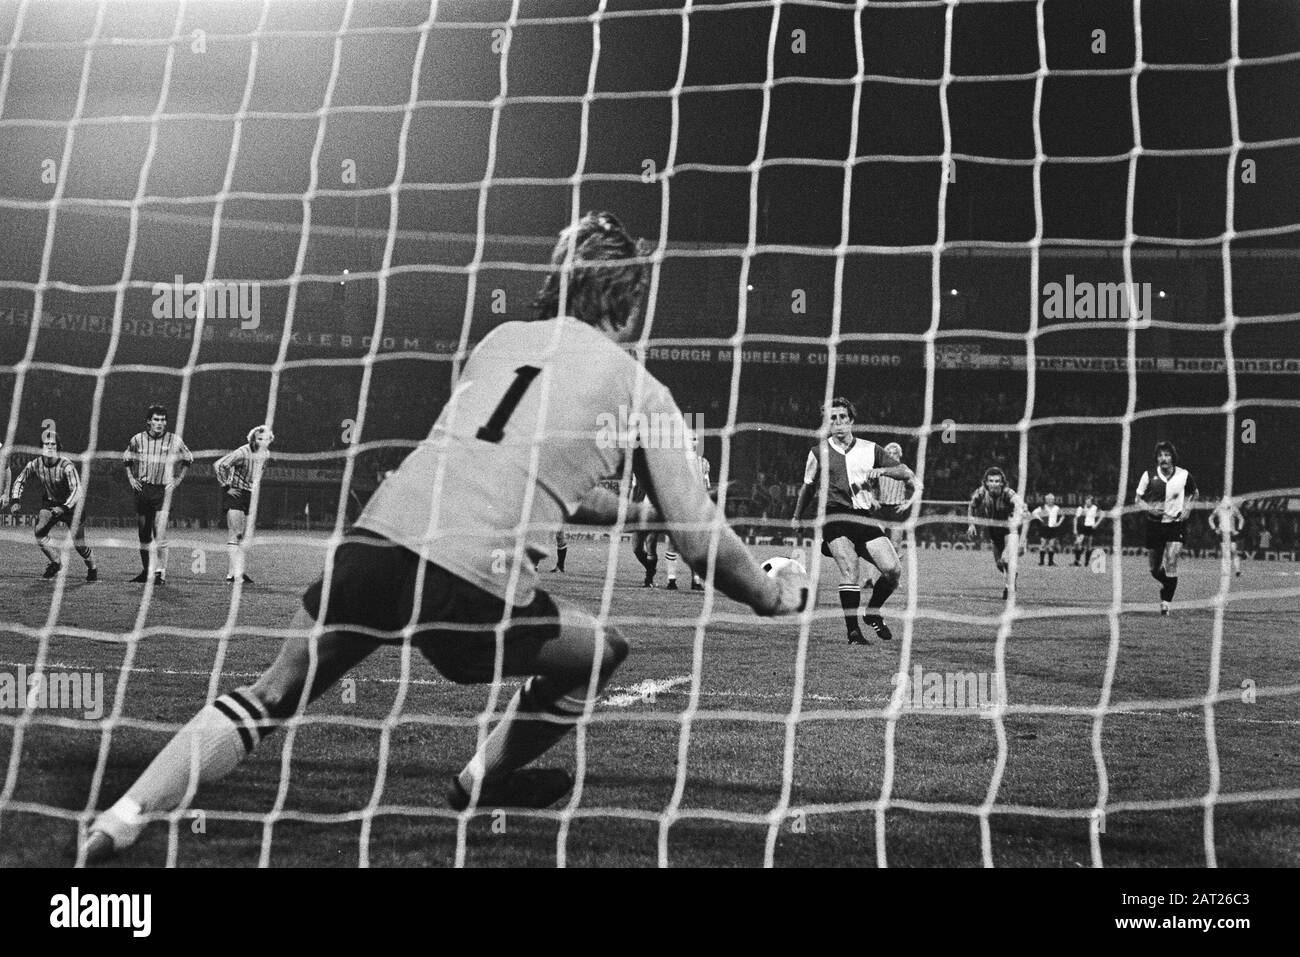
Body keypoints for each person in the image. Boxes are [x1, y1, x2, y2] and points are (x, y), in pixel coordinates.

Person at [83, 211, 805, 862]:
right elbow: (702, 538)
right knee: (601, 652)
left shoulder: (501, 342)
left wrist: (636, 516)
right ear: (628, 299)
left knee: (268, 695)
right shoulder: (641, 388)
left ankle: (122, 815)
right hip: (467, 584)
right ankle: (479, 778)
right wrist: (772, 594)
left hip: (378, 542)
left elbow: (515, 470)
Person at [792, 397, 914, 645]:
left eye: (842, 417)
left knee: (893, 571)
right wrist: (797, 516)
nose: (837, 423)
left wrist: (884, 470)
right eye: (832, 418)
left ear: (851, 420)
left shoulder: (870, 449)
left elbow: (904, 472)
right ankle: (853, 632)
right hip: (834, 516)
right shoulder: (818, 452)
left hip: (863, 517)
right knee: (851, 570)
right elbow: (807, 487)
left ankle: (873, 611)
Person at [4, 433, 97, 581]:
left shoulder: (66, 465)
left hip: (72, 507)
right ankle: (56, 562)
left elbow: (77, 490)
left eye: (53, 444)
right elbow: (21, 479)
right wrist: (15, 500)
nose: (50, 447)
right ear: (41, 448)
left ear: (58, 447)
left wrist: (64, 508)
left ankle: (92, 568)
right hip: (51, 503)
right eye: (46, 444)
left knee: (79, 545)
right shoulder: (35, 464)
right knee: (39, 532)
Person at [123, 405, 193, 585]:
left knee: (159, 532)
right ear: (149, 421)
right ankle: (146, 572)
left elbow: (188, 458)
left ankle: (160, 573)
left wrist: (177, 479)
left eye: (163, 420)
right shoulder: (137, 439)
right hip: (143, 490)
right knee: (144, 534)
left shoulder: (174, 440)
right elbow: (126, 459)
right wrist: (131, 477)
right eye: (156, 419)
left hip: (162, 491)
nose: (160, 423)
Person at [1134, 440, 1197, 616]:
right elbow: (1138, 499)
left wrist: (1187, 510)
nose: (1163, 458)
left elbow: (1194, 493)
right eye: (1160, 455)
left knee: (1171, 561)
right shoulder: (1148, 475)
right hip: (1154, 525)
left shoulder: (1184, 475)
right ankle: (1166, 586)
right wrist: (1150, 508)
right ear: (1157, 458)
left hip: (1176, 525)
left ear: (1172, 457)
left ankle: (1166, 604)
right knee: (1154, 569)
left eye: (1167, 455)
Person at [214, 425, 274, 584]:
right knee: (236, 533)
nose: (262, 442)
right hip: (237, 494)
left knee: (245, 536)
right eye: (259, 439)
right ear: (253, 439)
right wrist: (227, 487)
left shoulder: (266, 454)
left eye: (266, 439)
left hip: (249, 495)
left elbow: (260, 472)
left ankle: (235, 573)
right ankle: (235, 574)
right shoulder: (242, 452)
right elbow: (219, 465)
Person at [967, 466, 1026, 600]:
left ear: (1002, 482)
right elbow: (972, 506)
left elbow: (1020, 505)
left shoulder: (1008, 493)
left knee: (1005, 559)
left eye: (997, 481)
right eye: (991, 481)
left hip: (1010, 529)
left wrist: (1019, 512)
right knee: (1000, 564)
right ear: (986, 482)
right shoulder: (982, 492)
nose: (994, 484)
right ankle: (1012, 575)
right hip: (993, 530)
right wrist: (971, 524)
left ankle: (1008, 588)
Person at [665, 430, 710, 591]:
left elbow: (705, 489)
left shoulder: (704, 463)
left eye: (696, 440)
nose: (693, 442)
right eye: (690, 439)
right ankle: (671, 580)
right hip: (678, 508)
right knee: (673, 542)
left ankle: (696, 580)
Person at [872, 440, 921, 549]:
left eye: (894, 453)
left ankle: (896, 562)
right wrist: (872, 499)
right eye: (888, 453)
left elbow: (919, 488)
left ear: (899, 454)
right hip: (882, 508)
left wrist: (907, 504)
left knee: (895, 544)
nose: (891, 455)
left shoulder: (904, 469)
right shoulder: (880, 469)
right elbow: (863, 484)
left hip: (896, 509)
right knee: (876, 541)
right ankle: (880, 564)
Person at [1208, 494, 1244, 578]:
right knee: (1225, 553)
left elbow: (1241, 518)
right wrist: (1214, 529)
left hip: (1231, 533)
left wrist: (1239, 529)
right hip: (1223, 533)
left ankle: (1238, 571)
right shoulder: (1219, 509)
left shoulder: (1234, 509)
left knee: (1234, 551)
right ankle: (1225, 572)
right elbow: (1210, 518)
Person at [1029, 493, 1066, 566]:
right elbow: (1033, 513)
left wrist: (1058, 523)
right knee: (1043, 544)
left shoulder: (1056, 508)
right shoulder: (1042, 507)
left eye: (1051, 499)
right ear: (1046, 500)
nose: (1050, 500)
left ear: (1053, 500)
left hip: (1053, 528)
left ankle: (1050, 562)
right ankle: (1041, 562)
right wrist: (1039, 518)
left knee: (1051, 545)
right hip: (1044, 528)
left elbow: (1062, 515)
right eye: (1048, 499)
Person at [1072, 494, 1102, 567]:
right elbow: (1075, 518)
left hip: (1090, 528)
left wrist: (1096, 524)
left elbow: (1102, 515)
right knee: (1078, 543)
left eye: (1089, 500)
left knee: (1089, 546)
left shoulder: (1095, 508)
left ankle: (1086, 562)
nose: (1087, 501)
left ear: (1091, 501)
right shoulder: (1081, 508)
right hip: (1082, 527)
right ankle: (1077, 561)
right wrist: (1075, 528)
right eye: (1086, 500)